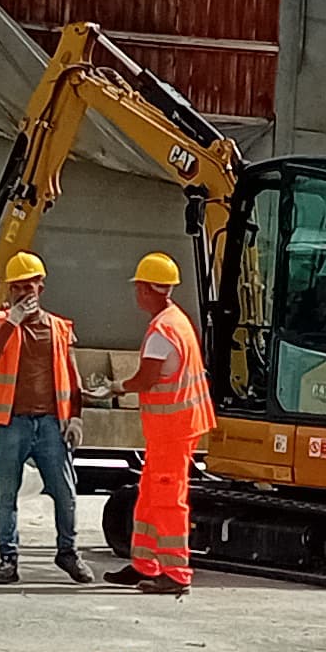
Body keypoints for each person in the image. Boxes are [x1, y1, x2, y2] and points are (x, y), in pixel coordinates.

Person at [0, 253, 90, 585]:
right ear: (10, 290)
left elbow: (72, 376)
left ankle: (68, 552)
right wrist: (11, 321)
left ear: (41, 285)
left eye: (29, 286)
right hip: (10, 423)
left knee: (65, 492)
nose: (24, 293)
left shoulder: (58, 328)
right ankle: (8, 560)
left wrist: (76, 418)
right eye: (17, 288)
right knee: (6, 495)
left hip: (51, 424)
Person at [110, 250, 214, 597]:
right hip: (174, 428)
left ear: (147, 290)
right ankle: (144, 564)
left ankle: (176, 571)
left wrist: (114, 387)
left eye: (138, 287)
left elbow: (146, 379)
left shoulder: (161, 332)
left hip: (173, 429)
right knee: (151, 495)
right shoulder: (177, 321)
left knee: (169, 499)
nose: (136, 293)